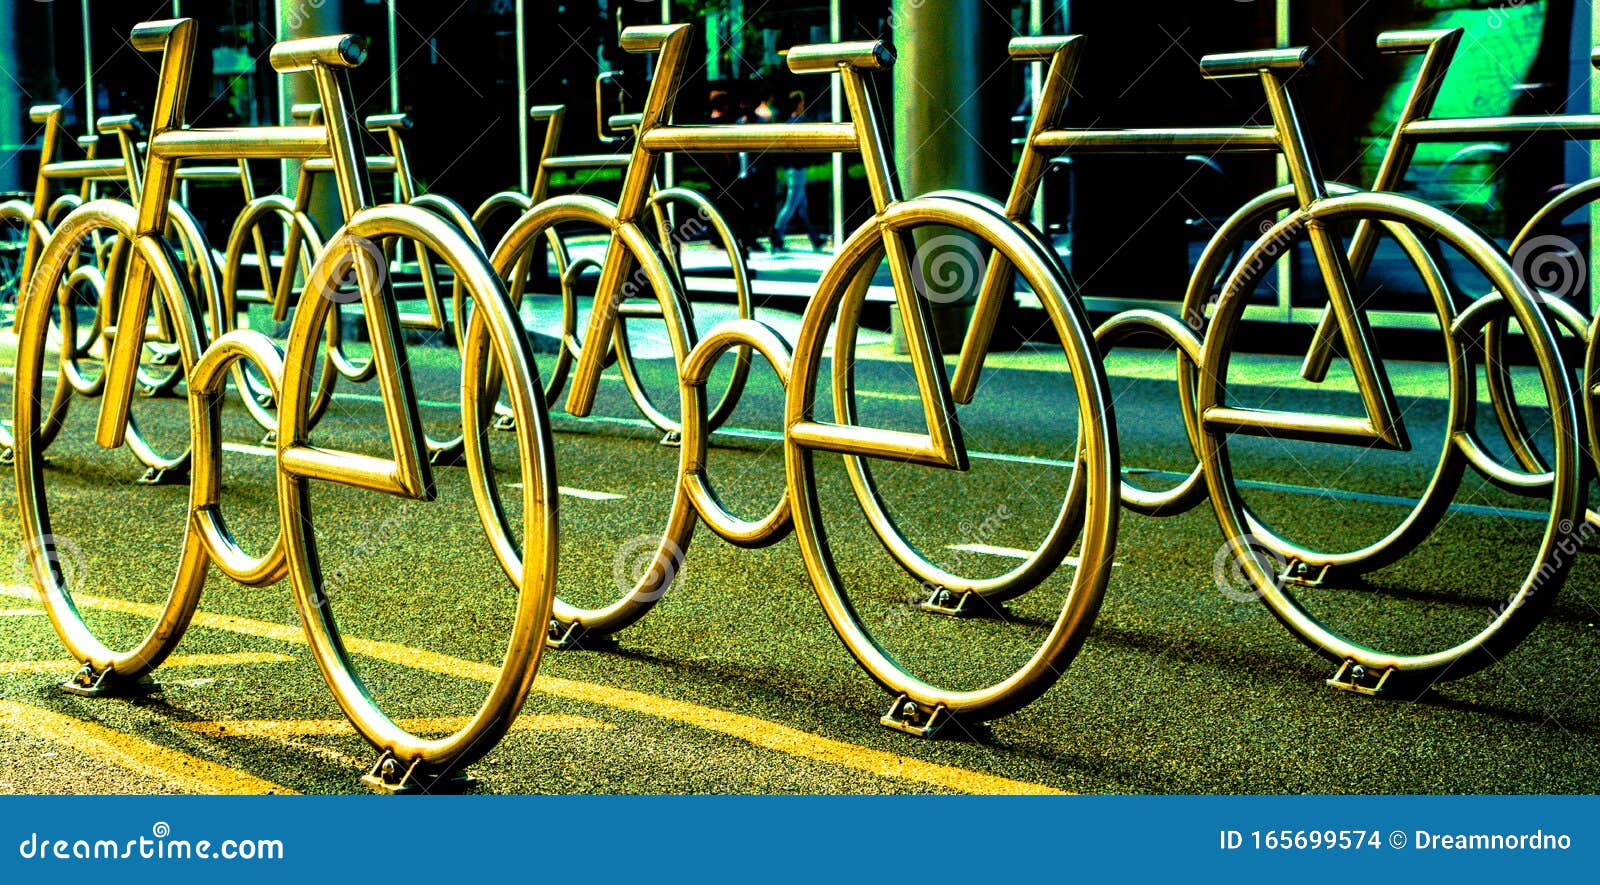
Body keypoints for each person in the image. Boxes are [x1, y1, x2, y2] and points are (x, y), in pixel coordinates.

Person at [771, 91, 825, 252]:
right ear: (799, 104)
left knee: (802, 208)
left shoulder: (788, 123)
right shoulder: (802, 122)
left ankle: (814, 238)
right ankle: (775, 234)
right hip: (798, 171)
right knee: (791, 206)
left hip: (792, 170)